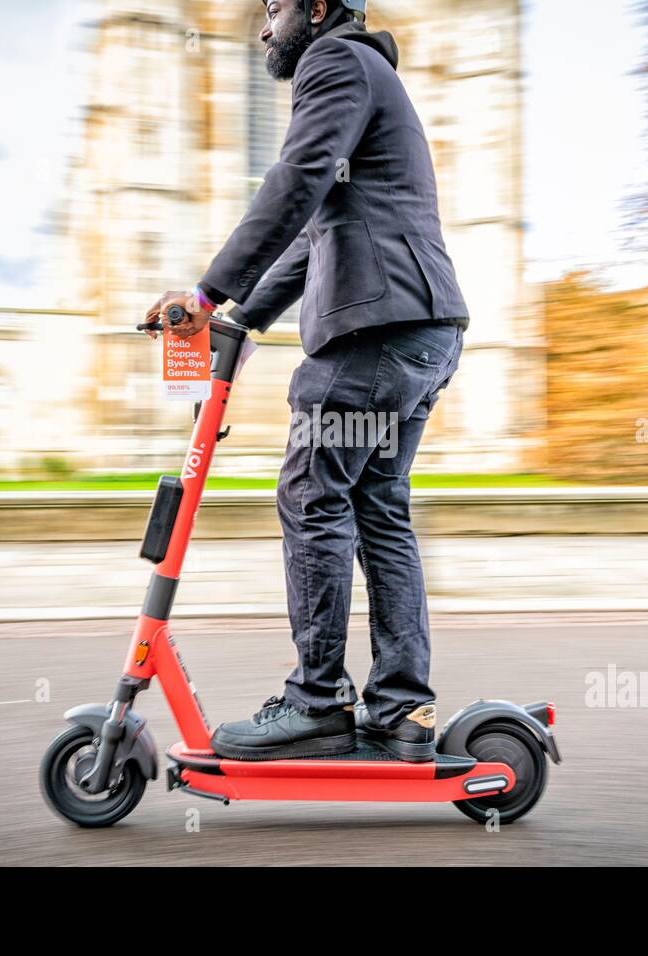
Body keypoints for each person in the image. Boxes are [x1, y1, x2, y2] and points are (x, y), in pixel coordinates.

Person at [145, 0, 468, 762]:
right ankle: (402, 710)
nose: (265, 27)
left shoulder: (335, 61)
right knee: (378, 507)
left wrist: (204, 295)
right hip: (422, 334)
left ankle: (318, 703)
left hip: (373, 337)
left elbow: (294, 183)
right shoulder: (368, 77)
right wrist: (242, 321)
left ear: (317, 9)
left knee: (311, 493)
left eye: (275, 9)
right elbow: (317, 227)